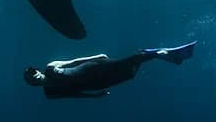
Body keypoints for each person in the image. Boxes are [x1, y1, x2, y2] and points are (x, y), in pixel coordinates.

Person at [23, 41, 197, 99]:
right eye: (31, 78)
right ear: (32, 84)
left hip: (95, 69)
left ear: (38, 71)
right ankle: (151, 54)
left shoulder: (51, 67)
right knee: (130, 75)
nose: (35, 76)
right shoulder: (50, 93)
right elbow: (74, 95)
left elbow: (75, 61)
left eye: (34, 73)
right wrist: (95, 96)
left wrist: (96, 56)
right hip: (96, 84)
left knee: (126, 63)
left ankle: (158, 54)